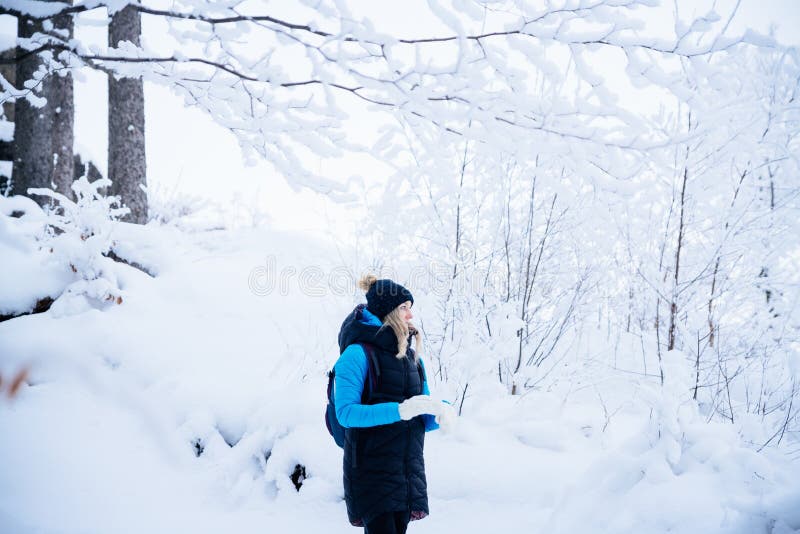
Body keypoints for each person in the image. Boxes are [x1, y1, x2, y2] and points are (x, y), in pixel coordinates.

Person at [334, 274, 453, 534]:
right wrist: (399, 411)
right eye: (404, 308)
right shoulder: (356, 354)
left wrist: (440, 411)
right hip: (371, 473)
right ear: (387, 311)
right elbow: (345, 413)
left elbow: (420, 414)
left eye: (410, 308)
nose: (410, 316)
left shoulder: (413, 358)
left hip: (408, 473)